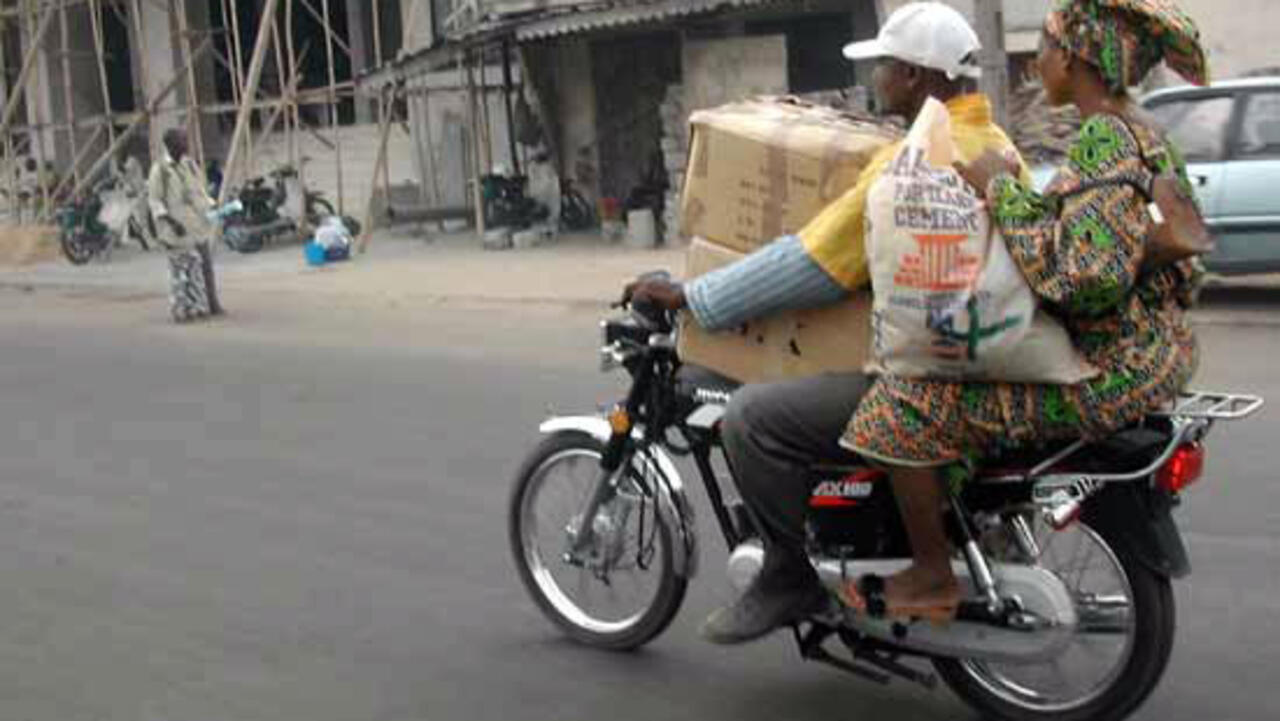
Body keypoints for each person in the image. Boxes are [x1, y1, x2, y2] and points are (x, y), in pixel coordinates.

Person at [624, 2, 1028, 644]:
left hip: (933, 372)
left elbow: (813, 263)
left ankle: (789, 574)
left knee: (751, 420)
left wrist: (692, 297)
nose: (875, 79)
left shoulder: (911, 162)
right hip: (992, 354)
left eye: (884, 66)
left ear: (916, 77)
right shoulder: (997, 143)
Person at [838, 0, 1207, 621]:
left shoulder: (1104, 139)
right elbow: (1167, 241)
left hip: (1110, 370)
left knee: (895, 411)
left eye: (1045, 49)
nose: (1037, 64)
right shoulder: (1147, 131)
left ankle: (931, 577)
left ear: (1076, 58)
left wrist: (1001, 190)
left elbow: (1082, 280)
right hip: (1163, 348)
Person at [149, 128, 223, 322]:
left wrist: (212, 206)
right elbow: (155, 201)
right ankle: (182, 309)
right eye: (182, 140)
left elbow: (199, 192)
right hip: (176, 230)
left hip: (196, 225)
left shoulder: (189, 165)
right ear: (171, 144)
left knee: (204, 267)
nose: (186, 143)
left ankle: (209, 304)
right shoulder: (160, 170)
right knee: (181, 273)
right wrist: (171, 223)